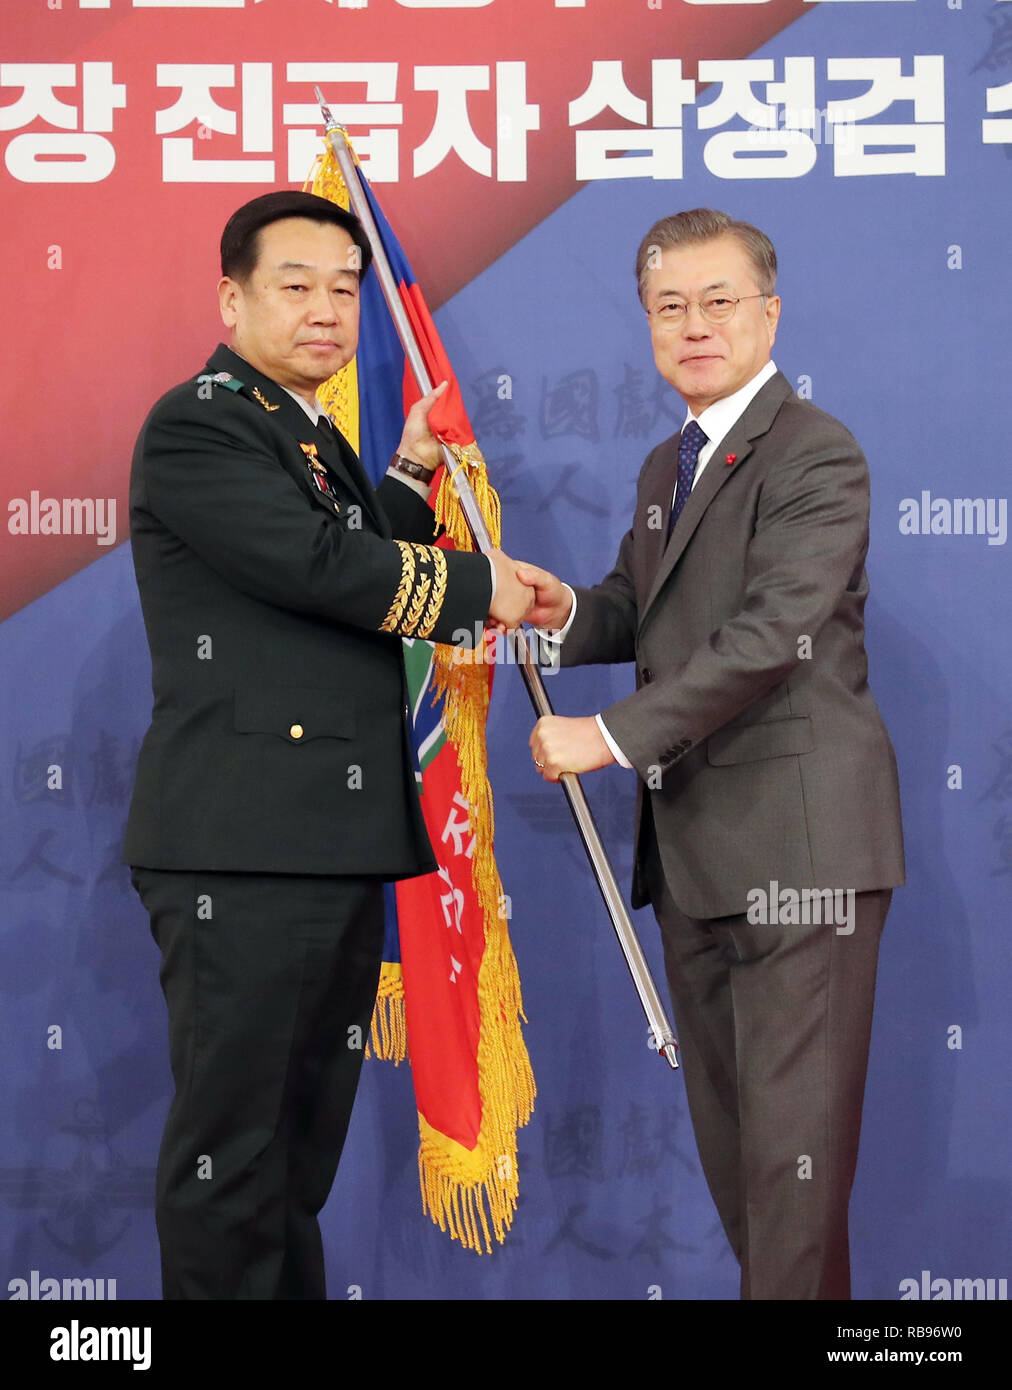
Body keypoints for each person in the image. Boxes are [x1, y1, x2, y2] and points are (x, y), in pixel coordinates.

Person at [123, 190, 534, 1300]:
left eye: (344, 289)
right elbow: (314, 570)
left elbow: (340, 567)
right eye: (294, 285)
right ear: (232, 297)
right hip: (241, 850)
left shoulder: (302, 429)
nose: (325, 310)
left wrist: (401, 476)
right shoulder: (201, 420)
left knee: (292, 1159)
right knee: (234, 1157)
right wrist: (480, 585)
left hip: (323, 841)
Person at [522, 208, 905, 1300]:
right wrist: (553, 613)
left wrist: (605, 737)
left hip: (802, 857)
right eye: (668, 306)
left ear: (768, 312)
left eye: (717, 301)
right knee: (754, 1180)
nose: (693, 326)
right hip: (697, 861)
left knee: (791, 1181)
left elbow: (767, 642)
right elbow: (640, 612)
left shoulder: (815, 451)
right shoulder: (667, 462)